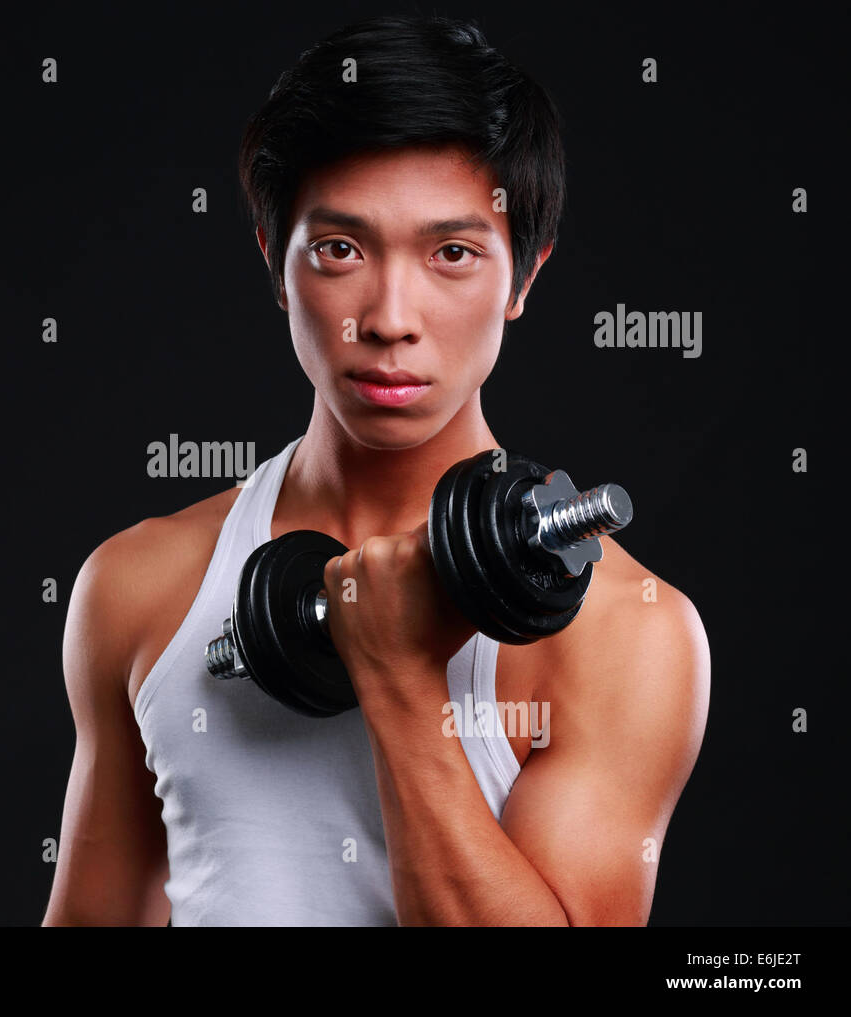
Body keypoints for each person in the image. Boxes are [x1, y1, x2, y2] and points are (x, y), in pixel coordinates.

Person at [42, 11, 709, 926]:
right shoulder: (136, 585)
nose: (390, 317)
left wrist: (397, 676)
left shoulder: (625, 636)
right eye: (342, 250)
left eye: (452, 253)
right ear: (277, 264)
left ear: (524, 278)